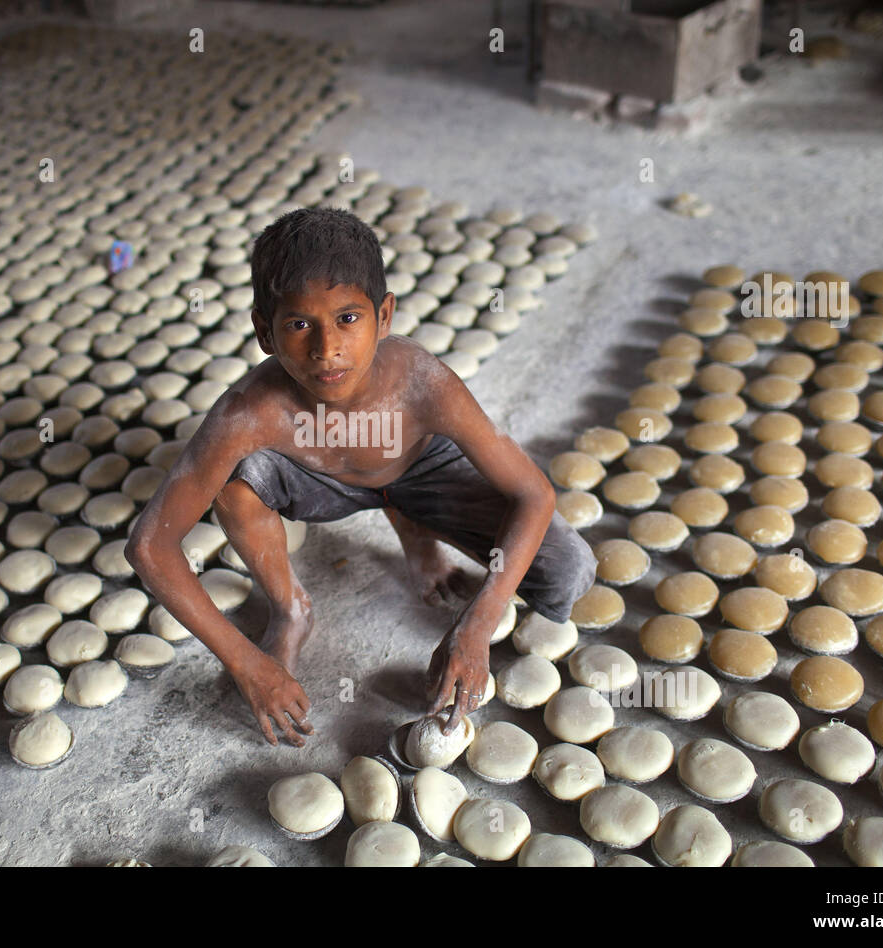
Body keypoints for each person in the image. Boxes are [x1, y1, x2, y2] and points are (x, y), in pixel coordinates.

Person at [125, 206, 596, 746]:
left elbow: (532, 492)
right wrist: (247, 664)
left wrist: (480, 622)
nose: (326, 349)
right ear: (264, 331)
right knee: (234, 485)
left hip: (418, 468)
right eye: (299, 325)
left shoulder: (424, 385)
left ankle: (416, 535)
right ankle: (289, 608)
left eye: (348, 318)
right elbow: (150, 546)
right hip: (318, 479)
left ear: (385, 315)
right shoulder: (249, 412)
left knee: (568, 573)